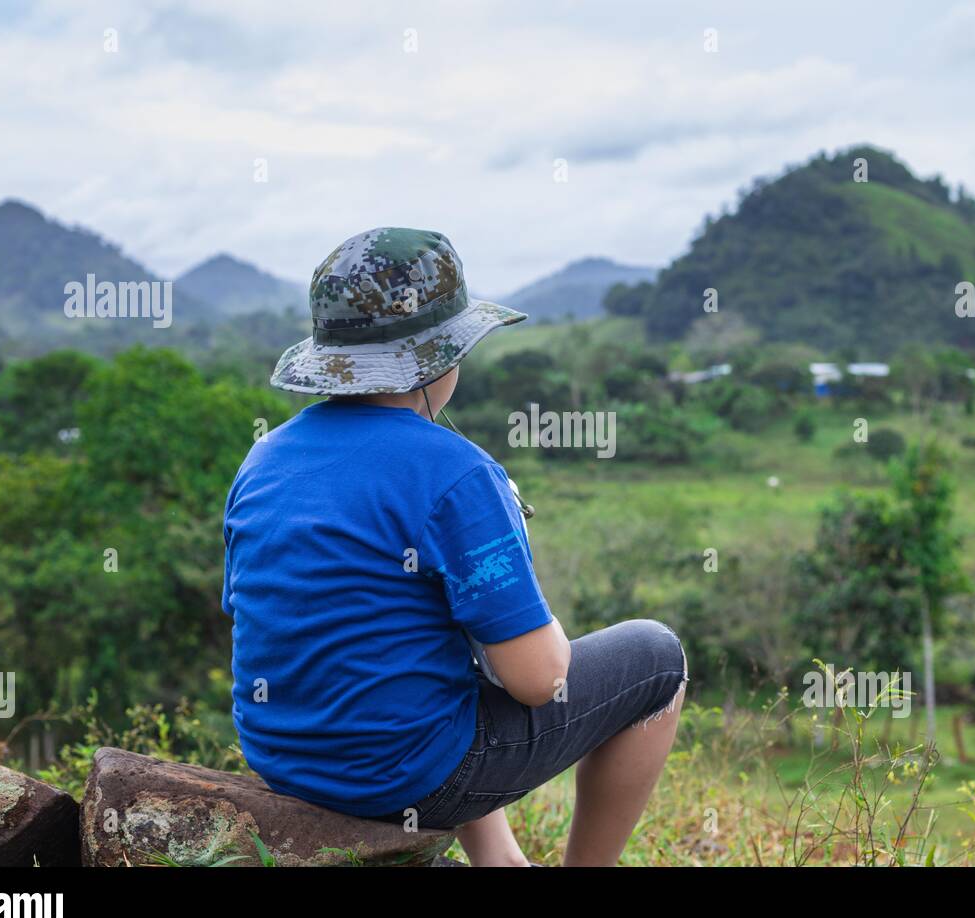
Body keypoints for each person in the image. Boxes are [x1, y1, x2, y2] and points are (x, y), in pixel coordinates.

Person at [222, 227, 688, 866]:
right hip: (407, 777)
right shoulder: (456, 472)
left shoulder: (263, 458)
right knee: (657, 658)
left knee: (424, 639)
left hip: (287, 759)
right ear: (440, 359)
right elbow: (538, 680)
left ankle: (500, 859)